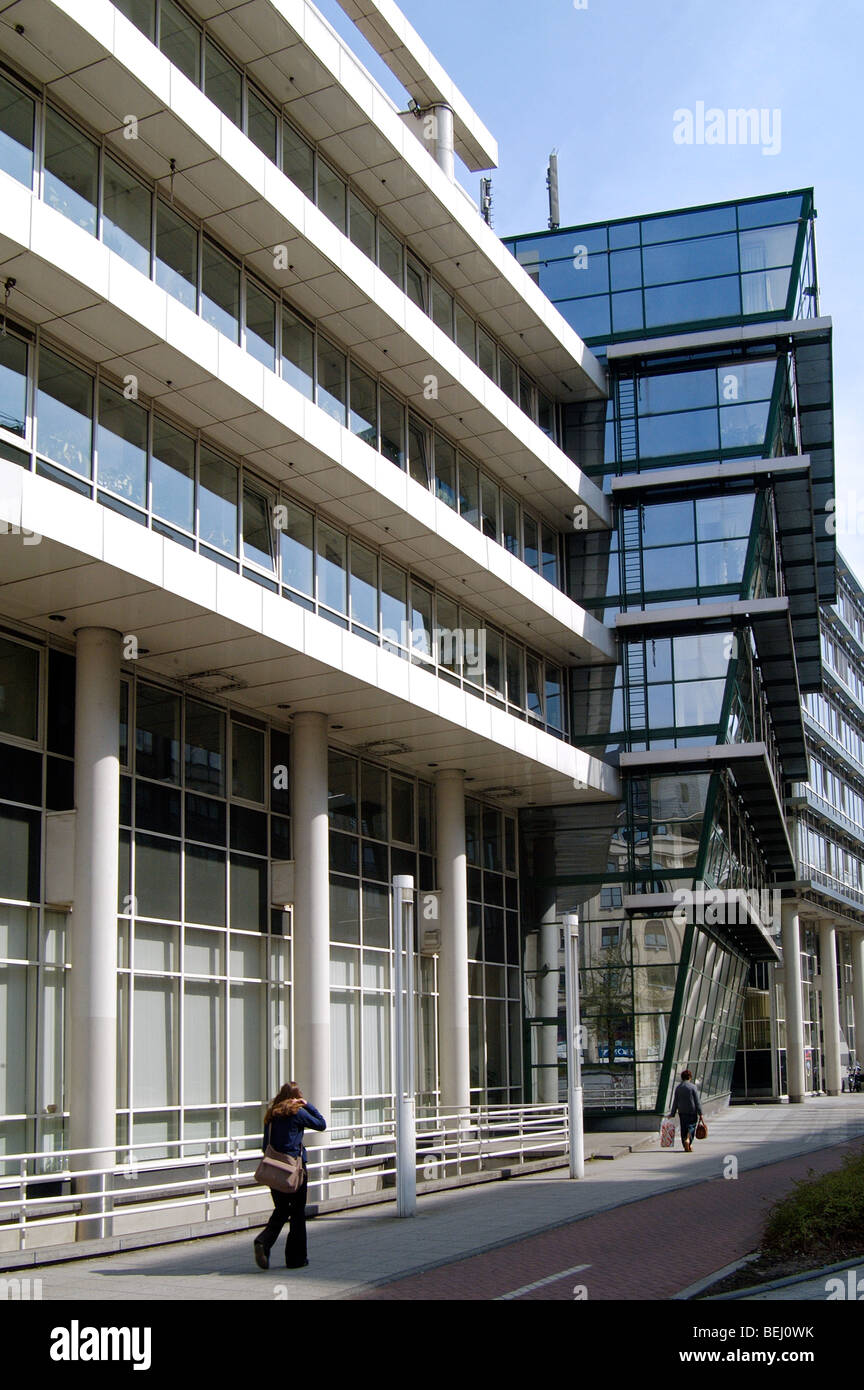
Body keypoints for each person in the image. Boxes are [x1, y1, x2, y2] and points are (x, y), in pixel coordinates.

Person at [254, 1082, 326, 1270]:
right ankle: (296, 1259)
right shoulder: (297, 1112)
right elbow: (321, 1124)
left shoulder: (271, 1115)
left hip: (273, 1170)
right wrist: (307, 1104)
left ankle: (263, 1241)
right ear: (295, 1097)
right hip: (294, 1170)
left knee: (281, 1209)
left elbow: (265, 1146)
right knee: (297, 1213)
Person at [669, 1068, 703, 1152]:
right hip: (692, 1111)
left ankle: (685, 1145)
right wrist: (700, 1113)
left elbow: (675, 1101)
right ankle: (689, 1140)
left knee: (683, 1128)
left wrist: (672, 1113)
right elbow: (697, 1101)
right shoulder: (693, 1087)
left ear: (682, 1077)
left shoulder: (678, 1087)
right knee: (691, 1126)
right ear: (690, 1077)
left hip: (682, 1111)